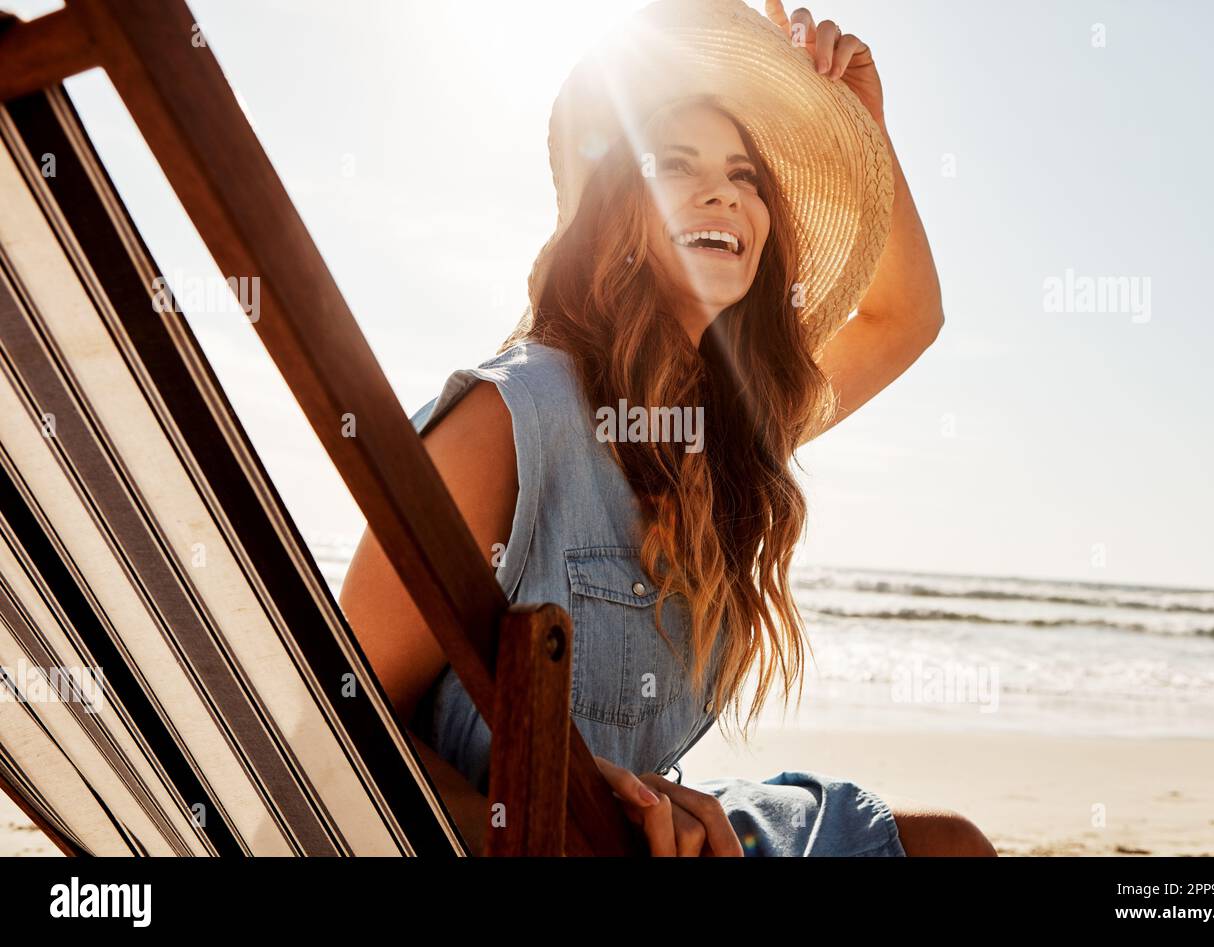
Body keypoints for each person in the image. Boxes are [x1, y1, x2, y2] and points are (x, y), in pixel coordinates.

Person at [341, 0, 995, 857]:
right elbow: (337, 712)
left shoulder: (730, 428)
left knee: (953, 847)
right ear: (617, 214)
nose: (724, 188)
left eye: (747, 175)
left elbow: (909, 316)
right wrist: (558, 828)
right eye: (676, 164)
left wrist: (866, 132)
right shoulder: (510, 417)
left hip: (658, 830)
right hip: (514, 838)